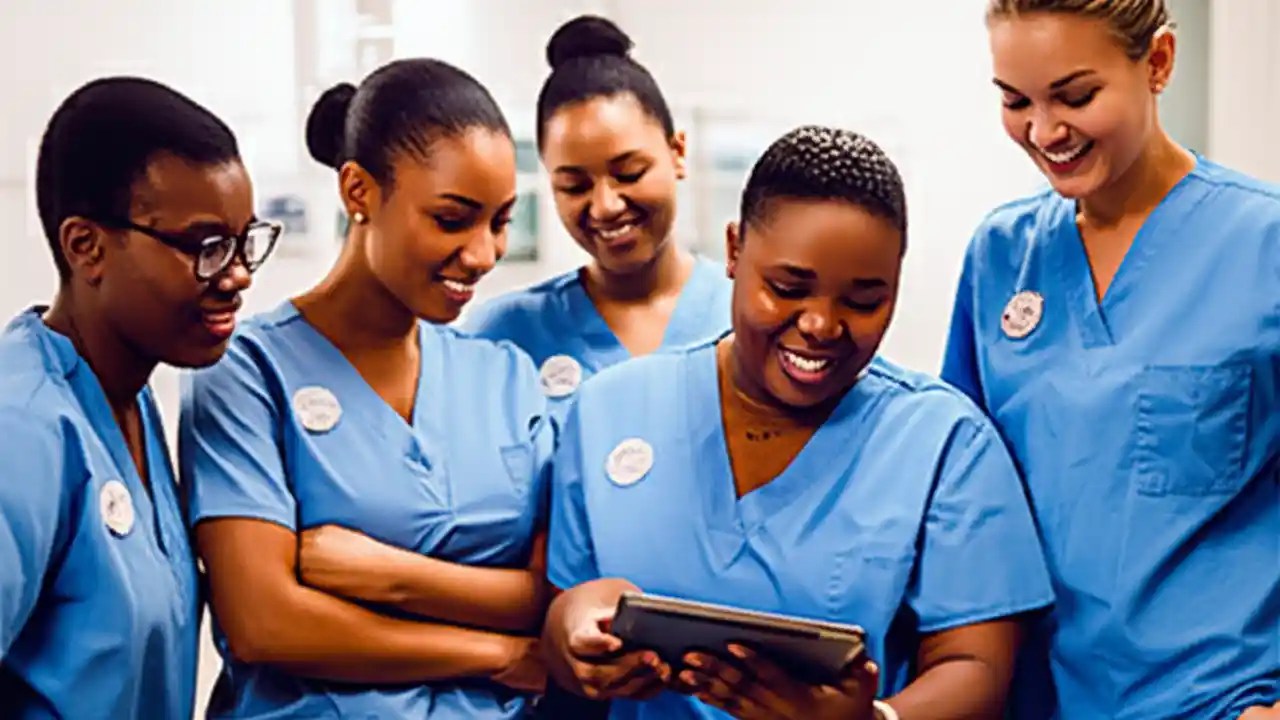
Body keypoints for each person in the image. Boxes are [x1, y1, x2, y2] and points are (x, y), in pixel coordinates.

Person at [542, 125, 1055, 720]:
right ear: (735, 252)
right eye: (788, 288)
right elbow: (560, 617)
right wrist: (574, 633)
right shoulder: (610, 408)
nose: (821, 326)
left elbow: (978, 668)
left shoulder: (944, 443)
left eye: (864, 301)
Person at [180, 59, 554, 718]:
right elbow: (265, 622)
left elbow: (549, 595)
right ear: (359, 191)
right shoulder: (247, 370)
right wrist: (495, 653)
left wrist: (386, 576)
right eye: (451, 218)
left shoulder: (505, 378)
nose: (483, 254)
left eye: (498, 221)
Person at [942, 1, 1280, 718]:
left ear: (1157, 62)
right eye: (1015, 101)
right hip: (1033, 698)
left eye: (1075, 96)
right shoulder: (1002, 255)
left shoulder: (1264, 247)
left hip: (1218, 698)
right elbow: (955, 503)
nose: (1043, 131)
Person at [0, 77, 273, 718]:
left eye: (243, 242)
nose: (235, 275)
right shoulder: (22, 429)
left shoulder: (131, 399)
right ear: (86, 247)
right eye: (204, 246)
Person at [463, 15, 732, 406]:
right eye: (575, 186)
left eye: (629, 173)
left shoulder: (741, 318)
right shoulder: (504, 337)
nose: (605, 206)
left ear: (677, 153)